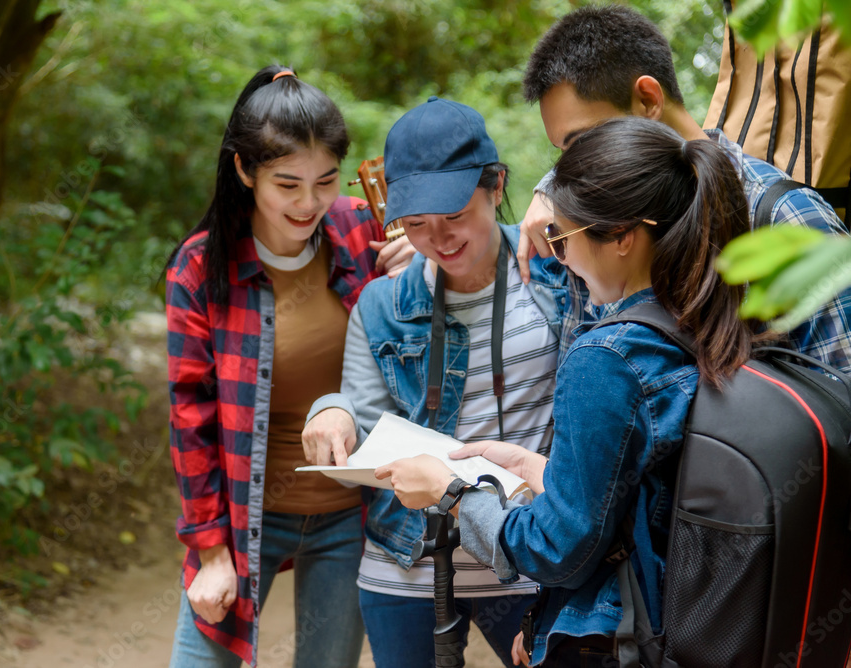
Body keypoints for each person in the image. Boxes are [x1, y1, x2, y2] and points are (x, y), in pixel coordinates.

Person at [375, 116, 759, 665]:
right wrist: (543, 471)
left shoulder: (606, 356)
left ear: (623, 236)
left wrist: (449, 492)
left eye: (560, 236)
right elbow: (645, 491)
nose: (557, 255)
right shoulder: (703, 317)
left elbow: (556, 548)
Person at [302, 97, 568, 668]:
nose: (440, 239)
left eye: (454, 218)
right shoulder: (382, 304)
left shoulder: (558, 276)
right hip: (405, 563)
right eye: (417, 225)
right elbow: (366, 426)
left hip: (527, 556)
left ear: (496, 186)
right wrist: (333, 410)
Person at [164, 65, 414, 668]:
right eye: (287, 184)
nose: (309, 204)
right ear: (245, 171)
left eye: (325, 181)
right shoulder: (200, 269)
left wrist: (420, 275)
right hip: (248, 513)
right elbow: (189, 419)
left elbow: (420, 353)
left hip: (350, 514)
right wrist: (211, 551)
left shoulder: (363, 229)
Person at [515, 4, 851, 371]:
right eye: (563, 153)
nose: (573, 168)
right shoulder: (593, 225)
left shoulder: (786, 220)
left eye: (579, 141)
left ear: (648, 100)